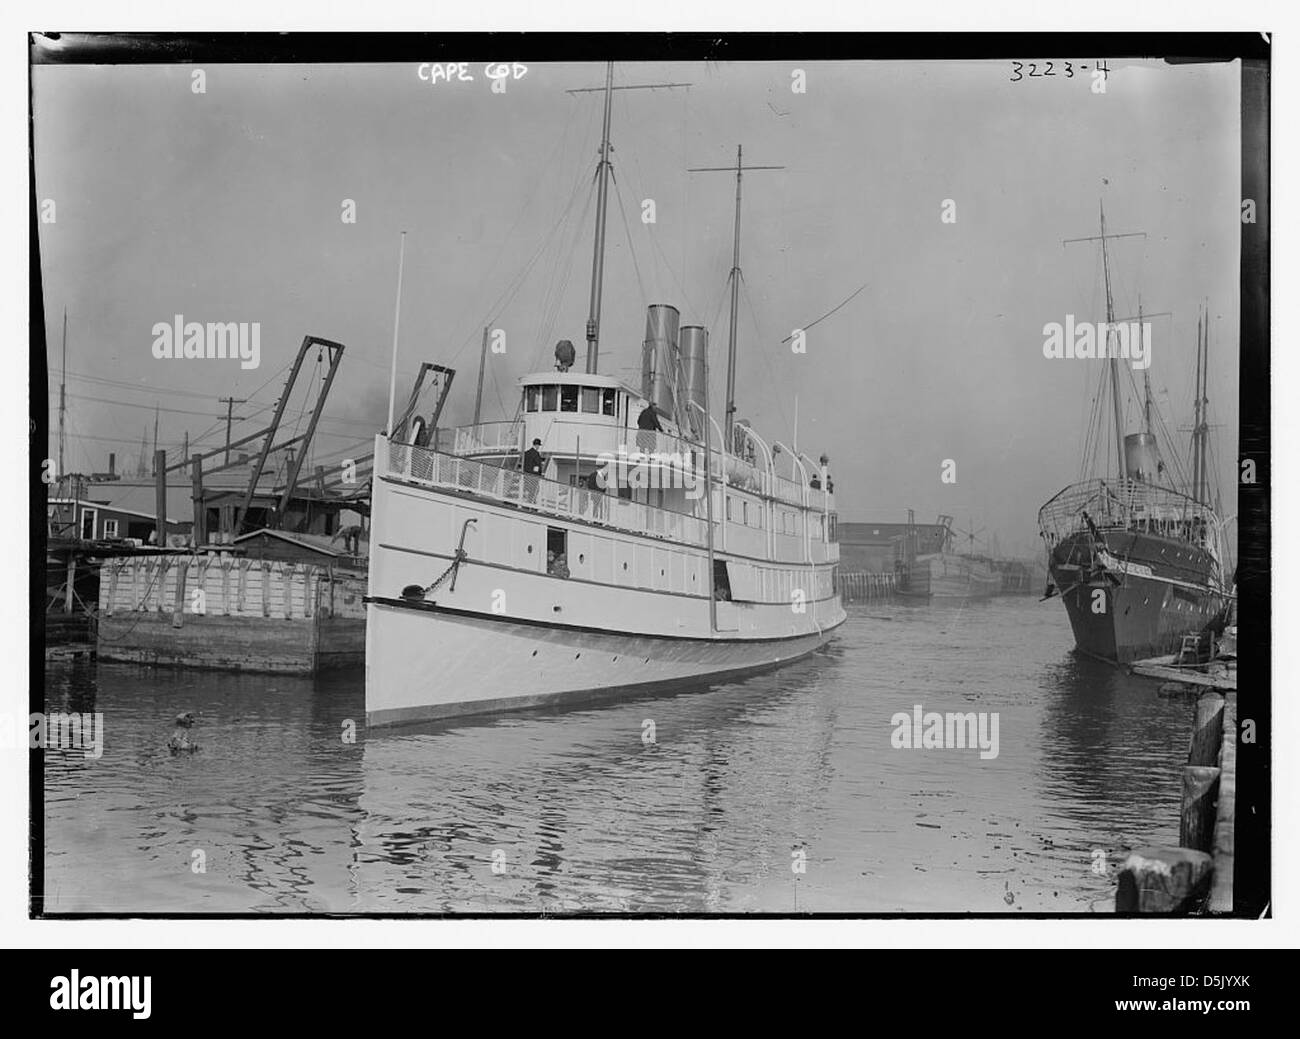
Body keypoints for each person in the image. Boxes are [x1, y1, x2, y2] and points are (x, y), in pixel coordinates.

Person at [523, 438, 545, 503]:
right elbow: (538, 464)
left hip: (526, 474)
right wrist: (539, 473)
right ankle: (531, 503)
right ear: (537, 445)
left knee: (528, 489)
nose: (538, 447)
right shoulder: (536, 454)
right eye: (538, 446)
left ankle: (528, 501)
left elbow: (525, 464)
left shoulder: (526, 453)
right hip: (534, 476)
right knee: (535, 490)